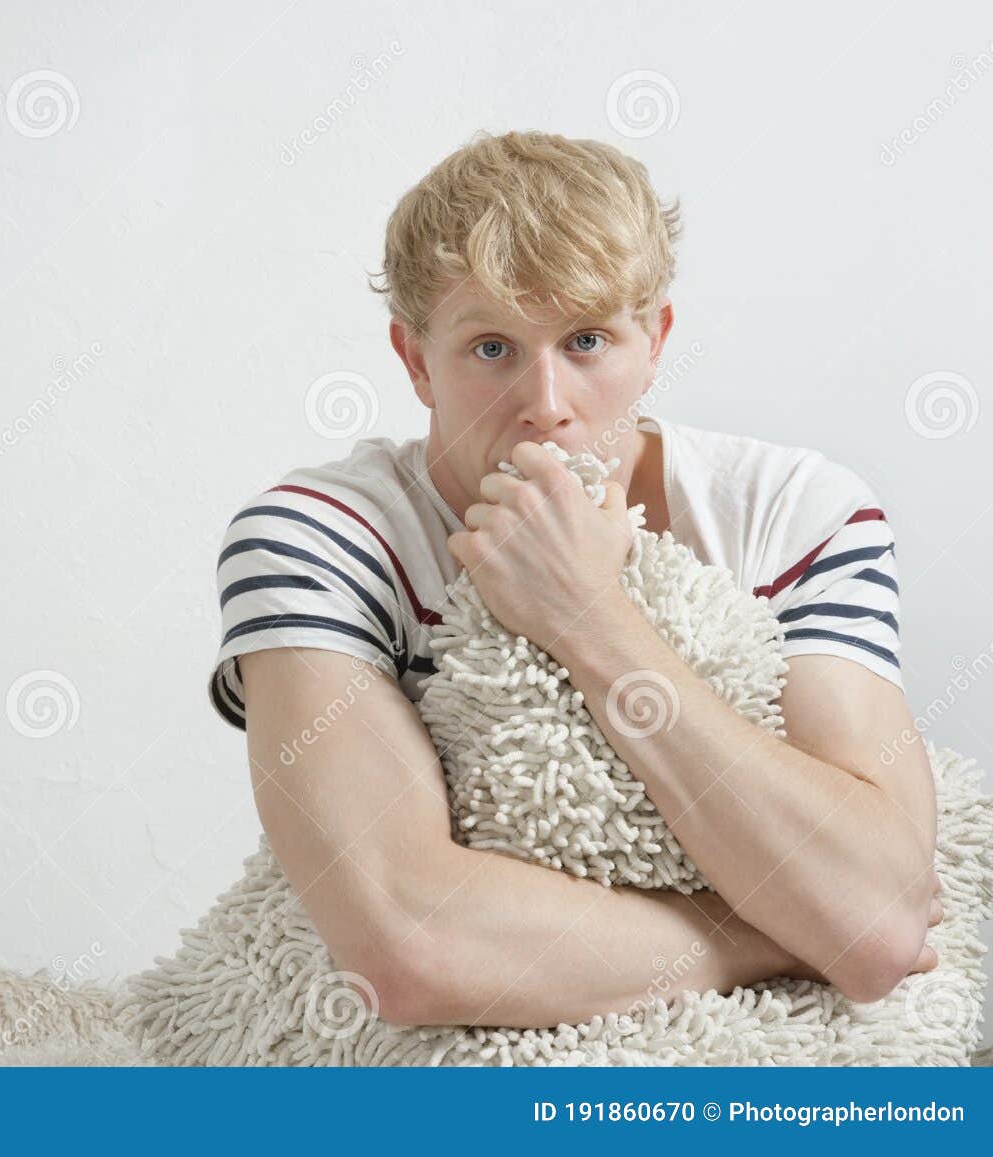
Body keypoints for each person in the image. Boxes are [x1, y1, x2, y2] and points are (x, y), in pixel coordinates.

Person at [210, 130, 942, 1029]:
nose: (546, 401)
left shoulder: (795, 514)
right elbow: (409, 948)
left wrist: (587, 617)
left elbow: (881, 909)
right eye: (491, 348)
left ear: (656, 338)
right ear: (414, 361)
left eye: (588, 339)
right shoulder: (315, 539)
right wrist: (780, 935)